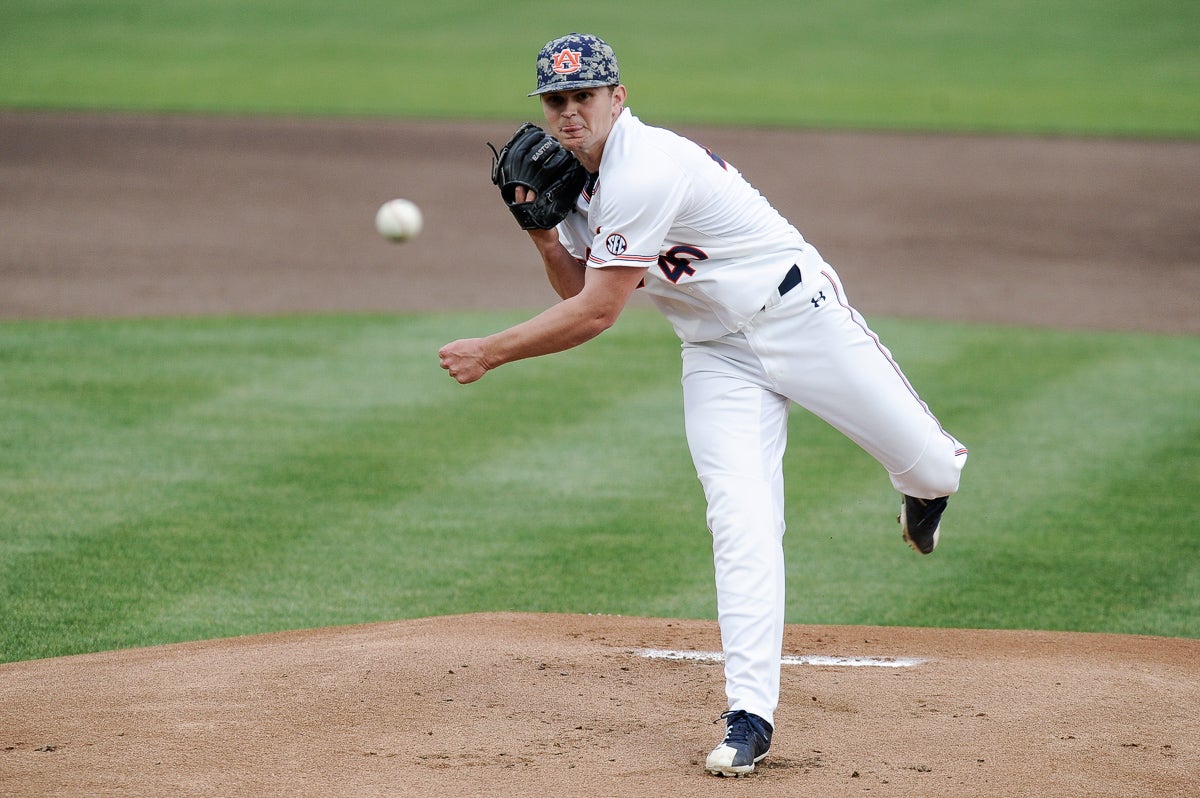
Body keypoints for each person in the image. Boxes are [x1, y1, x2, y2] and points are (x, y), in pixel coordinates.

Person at [438, 32, 968, 777]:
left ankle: (923, 490)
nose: (566, 114)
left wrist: (490, 350)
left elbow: (595, 315)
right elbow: (576, 286)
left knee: (936, 467)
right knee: (740, 519)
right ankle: (750, 717)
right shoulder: (578, 182)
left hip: (800, 317)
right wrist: (541, 230)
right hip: (718, 354)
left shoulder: (645, 168)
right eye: (554, 101)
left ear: (617, 96)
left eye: (581, 97)